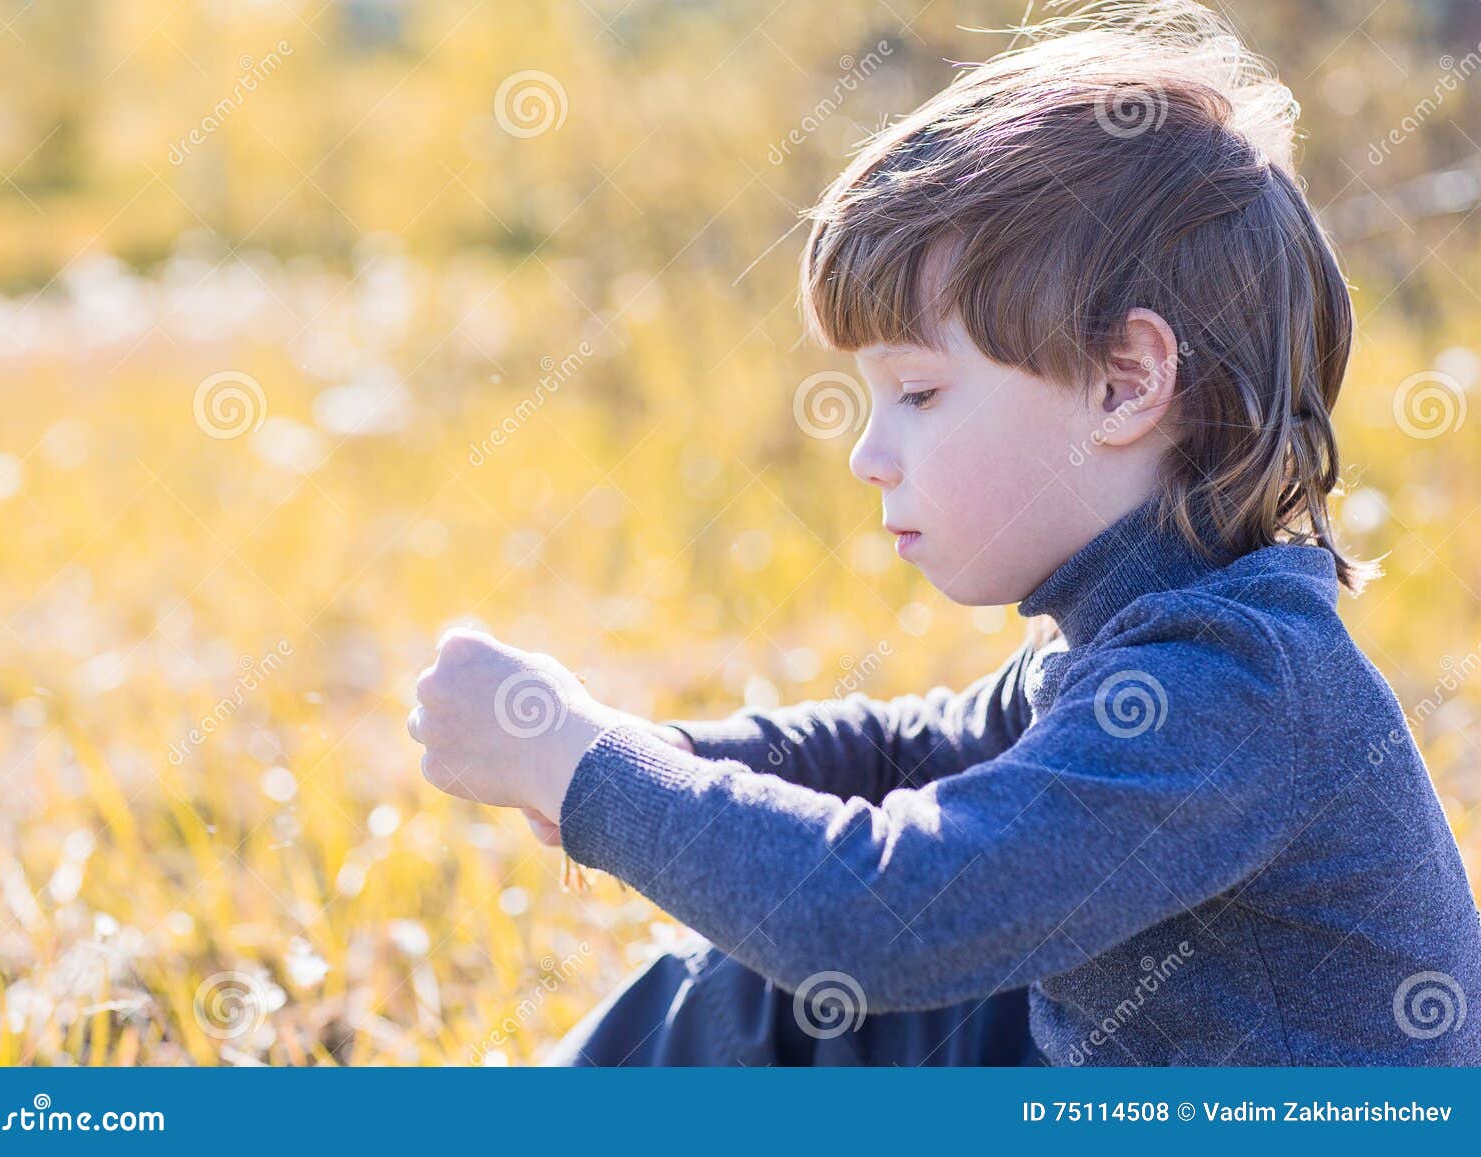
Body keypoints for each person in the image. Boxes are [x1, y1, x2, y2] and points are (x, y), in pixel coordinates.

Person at [408, 0, 1481, 1065]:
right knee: (768, 993)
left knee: (852, 968)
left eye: (918, 391)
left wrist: (585, 768)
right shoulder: (1136, 634)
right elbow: (905, 752)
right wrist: (665, 756)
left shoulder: (1231, 687)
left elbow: (878, 923)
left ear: (1123, 382)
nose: (866, 453)